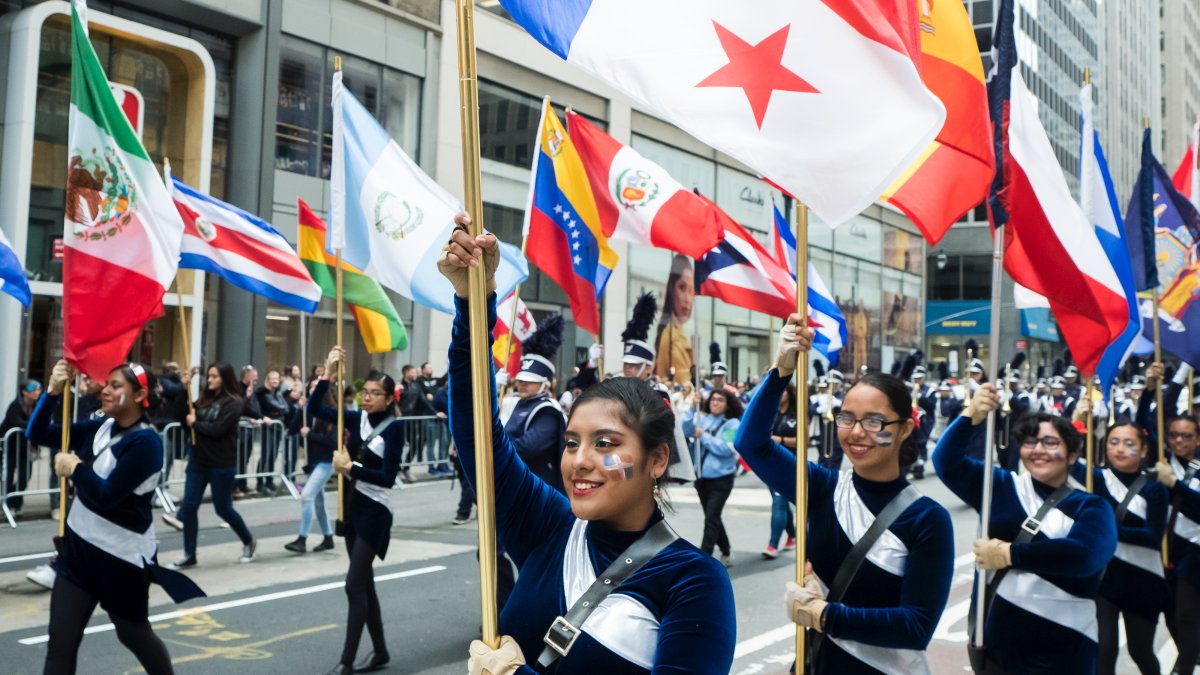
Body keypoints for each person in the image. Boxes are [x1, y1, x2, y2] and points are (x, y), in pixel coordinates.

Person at [440, 217, 735, 674]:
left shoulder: (694, 580)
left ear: (657, 459)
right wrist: (472, 304)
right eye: (573, 442)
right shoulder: (548, 526)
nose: (580, 461)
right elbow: (477, 431)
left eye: (605, 444)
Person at [737, 316, 954, 673]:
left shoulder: (928, 519)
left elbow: (915, 627)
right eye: (846, 418)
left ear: (905, 430)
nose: (856, 432)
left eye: (874, 421)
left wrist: (824, 615)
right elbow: (752, 444)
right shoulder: (822, 488)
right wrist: (781, 370)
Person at [29, 360, 204, 675]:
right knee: (60, 645)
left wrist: (76, 468)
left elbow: (107, 497)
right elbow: (38, 432)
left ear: (139, 396)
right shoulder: (100, 425)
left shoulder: (147, 443)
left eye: (115, 386)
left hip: (120, 561)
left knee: (134, 636)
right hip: (78, 556)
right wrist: (52, 394)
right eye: (106, 384)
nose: (105, 390)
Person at [934, 383, 1116, 673]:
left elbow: (1085, 556)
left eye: (1050, 443)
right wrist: (971, 416)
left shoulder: (1092, 506)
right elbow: (946, 462)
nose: (1038, 450)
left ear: (1071, 456)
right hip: (997, 645)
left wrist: (1011, 554)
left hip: (1067, 647)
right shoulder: (1001, 486)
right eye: (1030, 442)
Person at [309, 348, 403, 675]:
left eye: (375, 394)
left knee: (353, 585)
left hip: (376, 511)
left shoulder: (394, 428)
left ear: (389, 399)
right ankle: (380, 652)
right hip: (352, 507)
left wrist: (351, 467)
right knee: (365, 584)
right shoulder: (355, 417)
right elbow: (315, 410)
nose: (367, 398)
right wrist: (329, 375)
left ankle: (346, 662)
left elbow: (388, 478)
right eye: (365, 392)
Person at [1070, 422, 1166, 675]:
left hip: (1144, 580)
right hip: (1105, 579)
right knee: (1104, 650)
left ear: (1144, 451)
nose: (1120, 449)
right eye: (1113, 442)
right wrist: (1077, 424)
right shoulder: (1098, 479)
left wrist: (1108, 528)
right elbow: (1067, 460)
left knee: (1141, 652)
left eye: (1129, 443)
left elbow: (1153, 536)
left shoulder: (1155, 487)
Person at [167, 364, 258, 568]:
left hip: (221, 464)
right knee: (190, 506)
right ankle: (189, 553)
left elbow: (218, 429)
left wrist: (195, 424)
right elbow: (181, 417)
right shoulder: (204, 400)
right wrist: (184, 390)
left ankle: (248, 540)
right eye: (209, 376)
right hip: (198, 461)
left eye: (215, 376)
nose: (210, 380)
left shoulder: (234, 402)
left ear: (225, 378)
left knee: (223, 509)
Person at [505, 315, 567, 494]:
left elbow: (528, 448)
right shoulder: (516, 403)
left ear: (544, 384)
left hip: (540, 487)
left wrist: (496, 445)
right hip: (517, 481)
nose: (523, 384)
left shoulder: (548, 411)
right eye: (521, 380)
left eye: (530, 381)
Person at [682, 389, 742, 566]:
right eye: (713, 399)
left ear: (727, 404)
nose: (715, 403)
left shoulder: (732, 424)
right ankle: (726, 550)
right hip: (701, 478)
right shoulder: (704, 418)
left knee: (711, 519)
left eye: (720, 400)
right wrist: (693, 407)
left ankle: (703, 560)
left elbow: (726, 449)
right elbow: (685, 429)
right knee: (713, 518)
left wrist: (704, 436)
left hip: (721, 480)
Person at [284, 376, 337, 554]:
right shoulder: (308, 411)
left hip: (326, 462)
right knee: (319, 502)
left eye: (317, 387)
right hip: (313, 462)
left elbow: (333, 441)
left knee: (306, 496)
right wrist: (300, 410)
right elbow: (291, 430)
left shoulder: (332, 412)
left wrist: (310, 435)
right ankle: (328, 537)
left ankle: (302, 539)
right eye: (311, 387)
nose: (313, 390)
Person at [763, 383, 798, 559]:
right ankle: (793, 536)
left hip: (789, 464)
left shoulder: (797, 412)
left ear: (789, 392)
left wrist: (779, 439)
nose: (781, 393)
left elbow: (802, 440)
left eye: (783, 390)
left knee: (778, 502)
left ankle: (772, 544)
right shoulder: (770, 412)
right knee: (782, 503)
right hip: (769, 464)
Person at [2, 379, 40, 516]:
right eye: (34, 390)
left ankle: (14, 502)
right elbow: (17, 423)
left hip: (25, 448)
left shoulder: (37, 406)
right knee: (8, 476)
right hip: (10, 447)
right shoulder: (15, 406)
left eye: (38, 390)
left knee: (25, 477)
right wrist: (34, 424)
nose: (37, 393)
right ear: (25, 392)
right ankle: (8, 504)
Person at [254, 369, 290, 495]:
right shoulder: (262, 393)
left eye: (277, 378)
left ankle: (269, 480)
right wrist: (280, 410)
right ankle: (260, 482)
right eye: (272, 378)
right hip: (267, 427)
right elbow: (277, 407)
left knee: (273, 455)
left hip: (277, 427)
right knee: (265, 455)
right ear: (267, 380)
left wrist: (281, 410)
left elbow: (286, 408)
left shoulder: (278, 393)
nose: (275, 381)